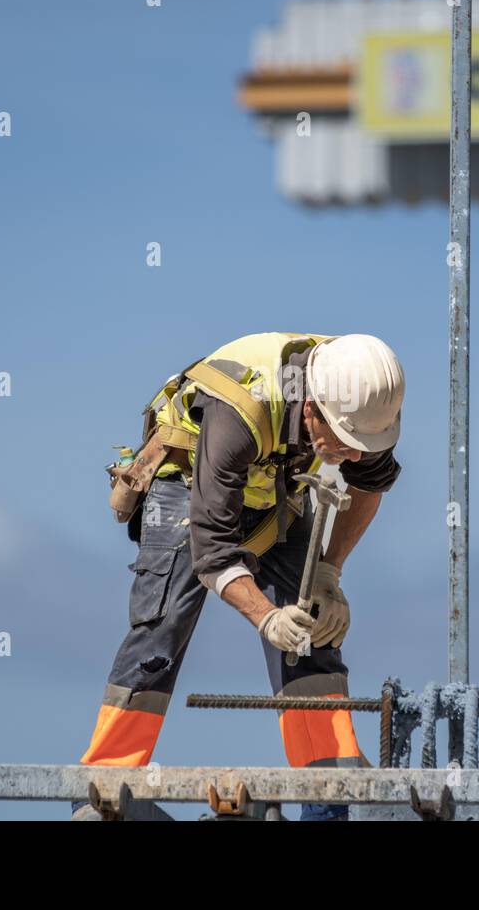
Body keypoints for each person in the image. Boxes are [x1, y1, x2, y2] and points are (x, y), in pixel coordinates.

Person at [75, 332, 404, 820]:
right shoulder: (239, 412)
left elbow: (368, 483)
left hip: (276, 489)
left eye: (362, 446)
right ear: (311, 408)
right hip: (189, 481)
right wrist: (267, 617)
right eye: (345, 443)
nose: (354, 455)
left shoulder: (361, 398)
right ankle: (105, 784)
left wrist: (328, 574)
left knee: (311, 638)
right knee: (160, 633)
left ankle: (328, 793)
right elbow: (212, 550)